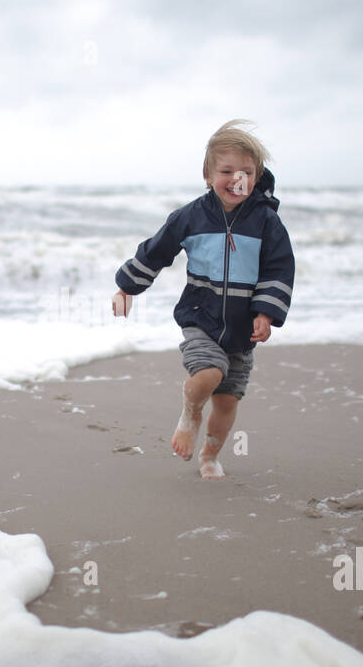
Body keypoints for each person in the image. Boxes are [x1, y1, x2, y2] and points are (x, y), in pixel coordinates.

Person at [111, 120, 295, 478]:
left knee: (227, 403)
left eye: (246, 172)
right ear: (208, 174)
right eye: (227, 171)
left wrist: (266, 313)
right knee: (208, 373)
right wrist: (126, 288)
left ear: (256, 177)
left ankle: (209, 456)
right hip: (201, 317)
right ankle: (190, 412)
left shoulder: (266, 222)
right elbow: (156, 251)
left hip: (243, 330)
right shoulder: (191, 216)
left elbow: (279, 268)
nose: (237, 179)